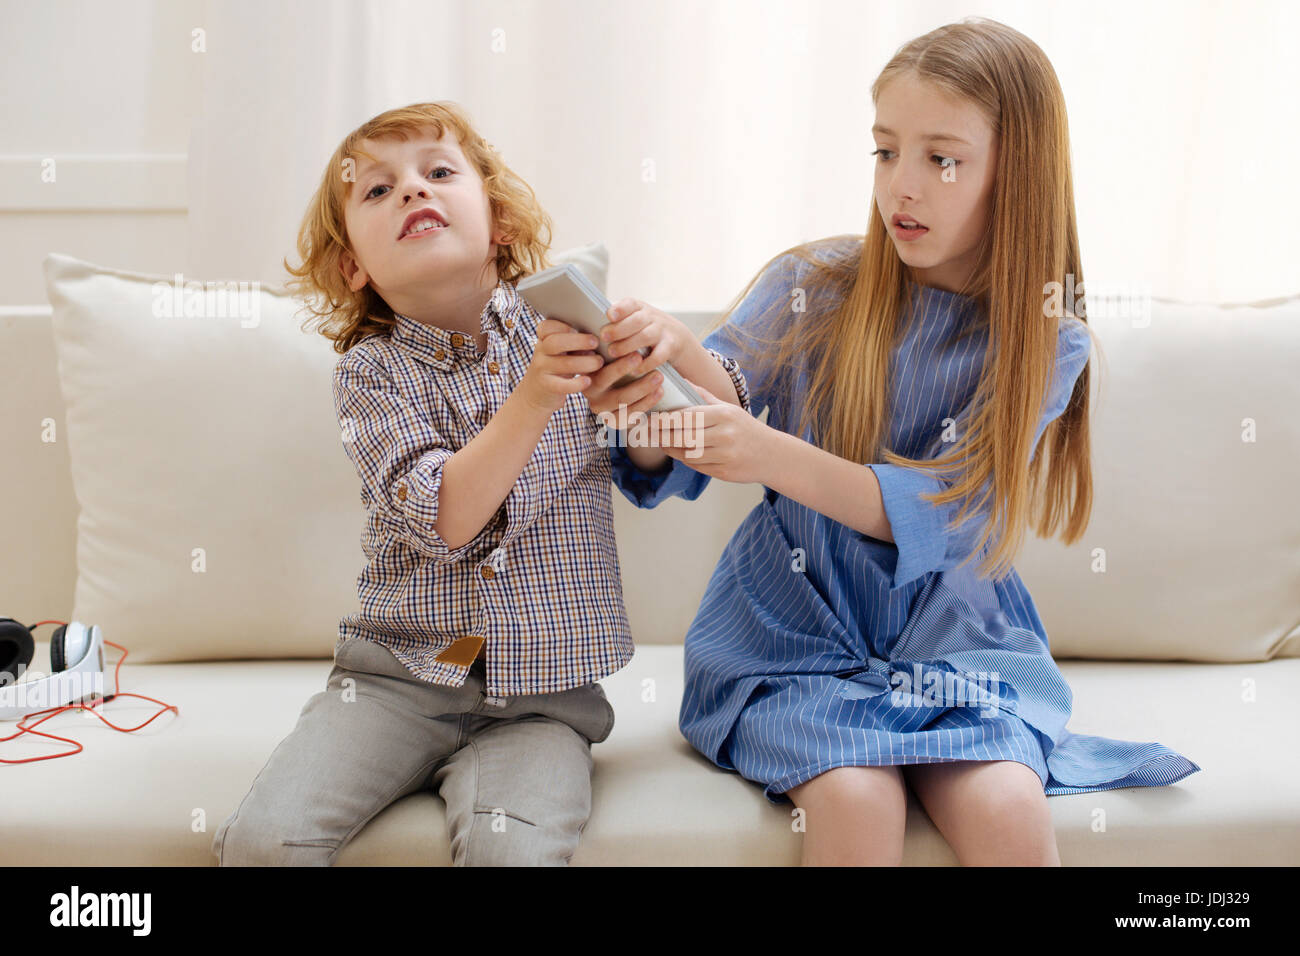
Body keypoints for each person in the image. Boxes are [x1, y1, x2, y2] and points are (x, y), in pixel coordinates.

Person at [586, 18, 1200, 866]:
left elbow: (944, 515)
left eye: (940, 159)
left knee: (1007, 809)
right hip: (789, 637)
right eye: (885, 152)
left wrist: (763, 452)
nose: (901, 186)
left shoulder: (1044, 339)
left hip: (958, 644)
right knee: (853, 798)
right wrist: (668, 363)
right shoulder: (814, 284)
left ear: (1014, 176)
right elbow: (728, 394)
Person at [212, 100, 742, 866]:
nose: (412, 193)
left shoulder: (573, 330)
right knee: (263, 844)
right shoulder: (370, 375)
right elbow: (446, 519)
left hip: (543, 705)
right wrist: (533, 397)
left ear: (498, 223)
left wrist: (678, 358)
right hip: (396, 683)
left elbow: (716, 444)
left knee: (514, 859)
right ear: (352, 267)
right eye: (378, 190)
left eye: (437, 172)